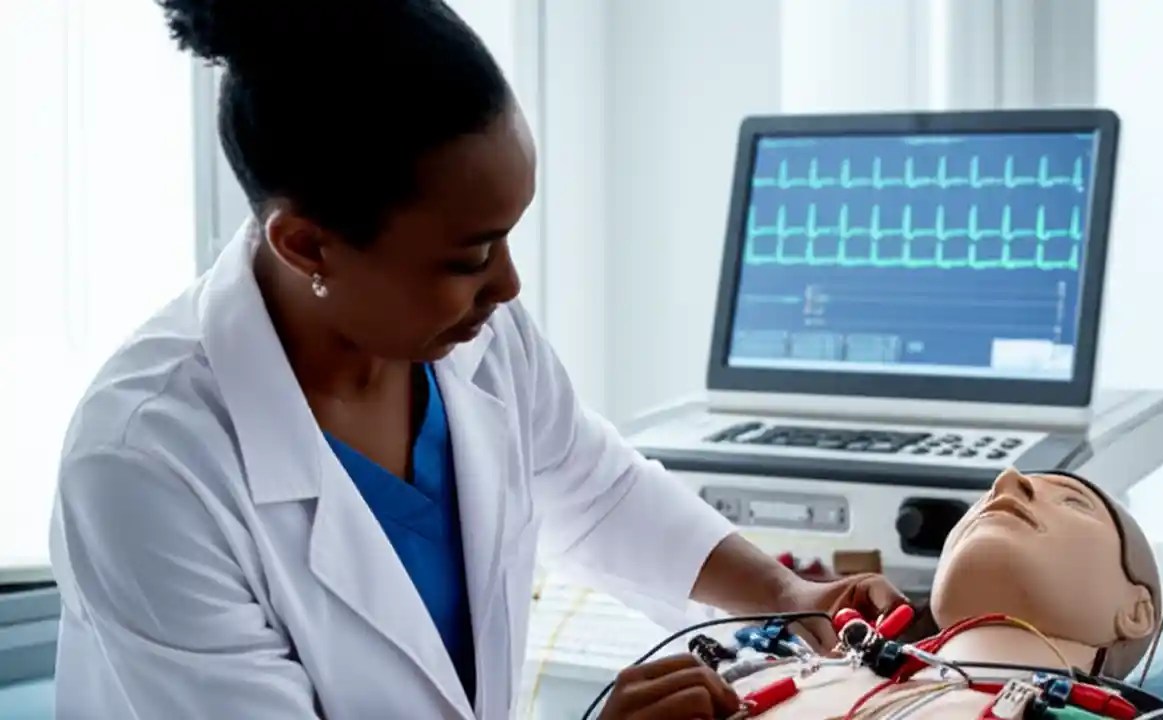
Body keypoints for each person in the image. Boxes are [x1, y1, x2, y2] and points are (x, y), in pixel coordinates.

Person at [45, 1, 907, 718]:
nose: (508, 284)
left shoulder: (470, 336)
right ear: (308, 245)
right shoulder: (145, 467)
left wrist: (782, 595)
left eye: (508, 236)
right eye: (468, 256)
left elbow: (597, 492)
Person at [728, 468, 1163, 719]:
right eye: (983, 502)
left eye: (1072, 502)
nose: (1006, 482)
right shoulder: (759, 676)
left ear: (1136, 612)